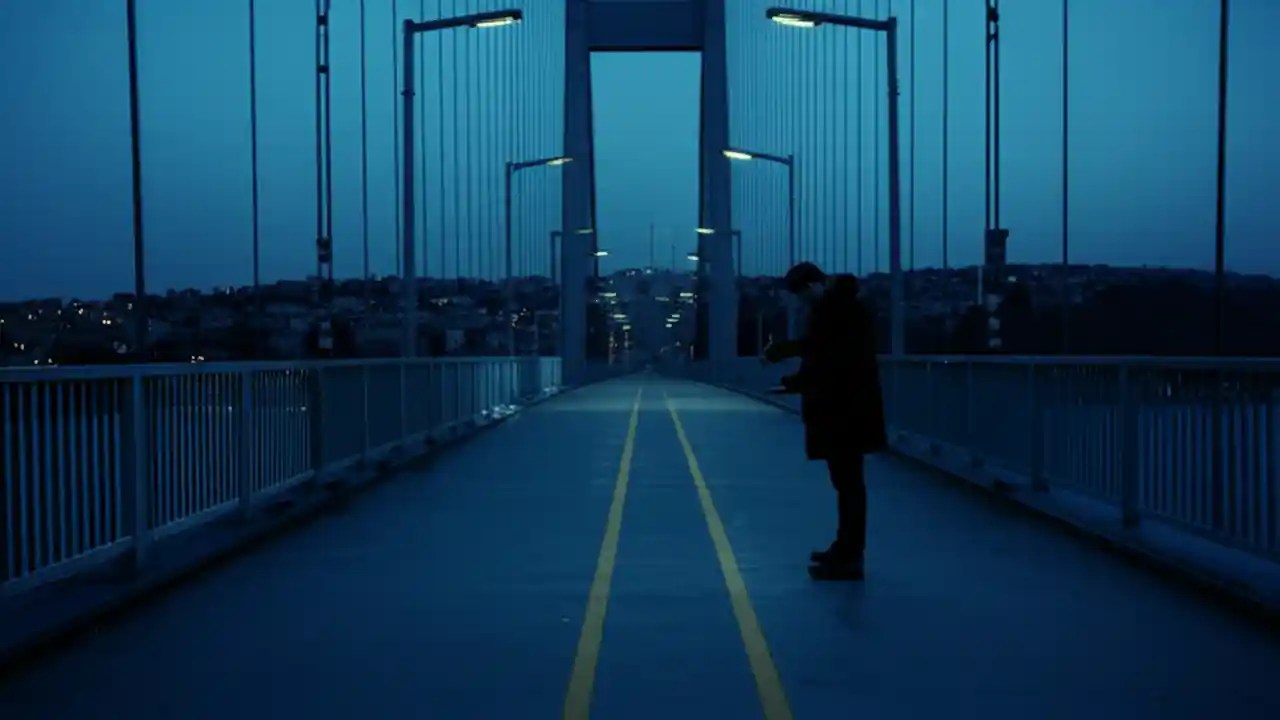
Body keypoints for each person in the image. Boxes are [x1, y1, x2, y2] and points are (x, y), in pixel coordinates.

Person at [763, 261, 887, 579]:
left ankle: (849, 555)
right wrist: (795, 381)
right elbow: (823, 356)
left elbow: (826, 354)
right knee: (846, 484)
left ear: (814, 285)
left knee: (849, 485)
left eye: (802, 294)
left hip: (845, 410)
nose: (802, 301)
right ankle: (845, 548)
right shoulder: (841, 307)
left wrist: (784, 355)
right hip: (845, 409)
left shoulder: (840, 310)